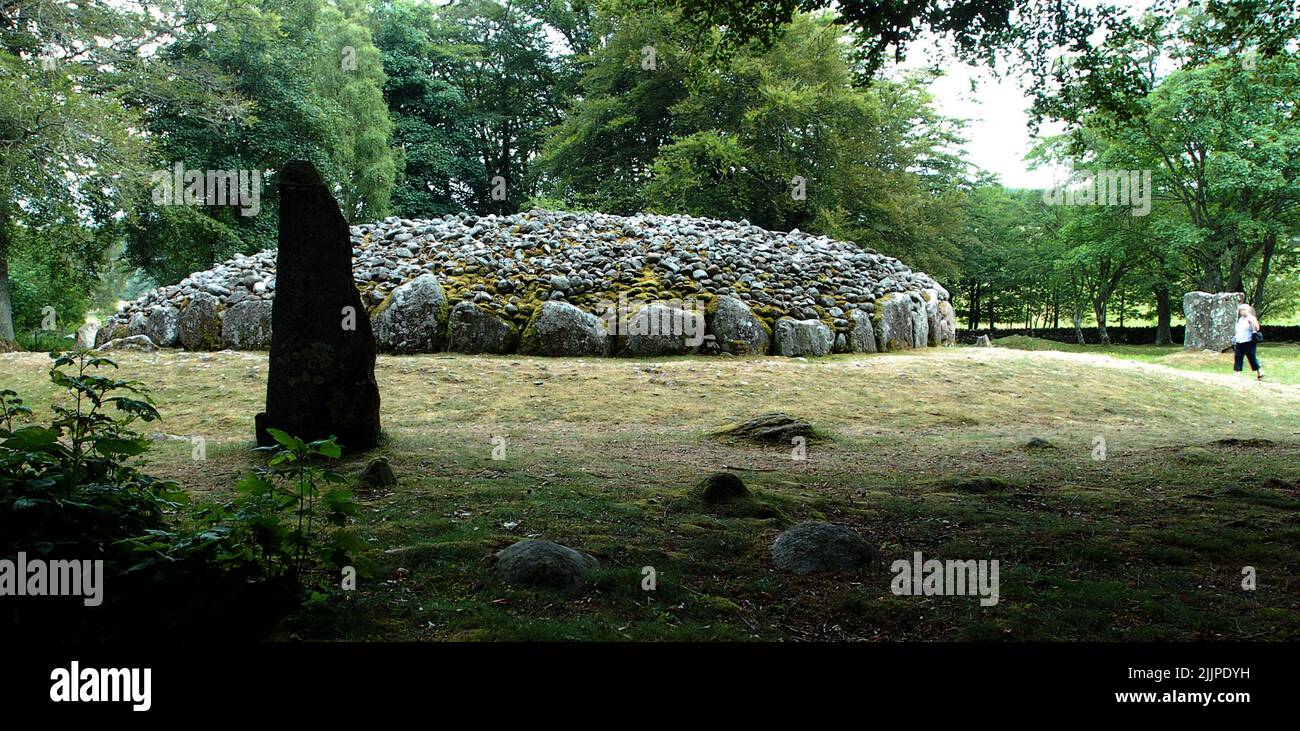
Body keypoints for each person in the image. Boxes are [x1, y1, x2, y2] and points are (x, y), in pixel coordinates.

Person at [1232, 303, 1263, 380]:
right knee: (1238, 357)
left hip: (1249, 341)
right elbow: (1238, 330)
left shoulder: (1251, 318)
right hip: (1240, 341)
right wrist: (1235, 338)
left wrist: (1252, 323)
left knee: (1251, 357)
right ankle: (1237, 372)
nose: (1242, 312)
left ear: (1248, 310)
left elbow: (1256, 328)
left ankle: (1259, 371)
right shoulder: (1240, 320)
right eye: (1241, 310)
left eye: (1244, 310)